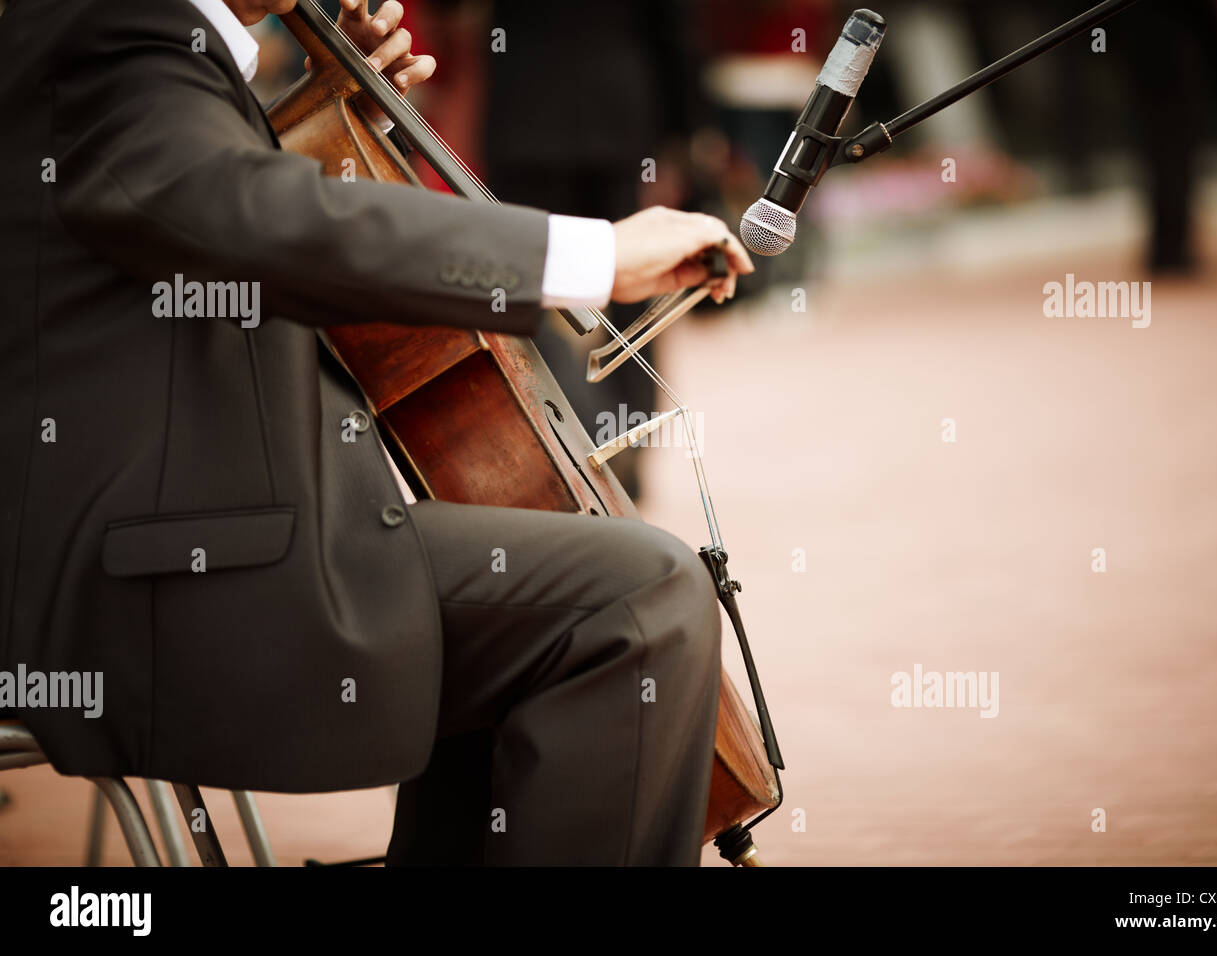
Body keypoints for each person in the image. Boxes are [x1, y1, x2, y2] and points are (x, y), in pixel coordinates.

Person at [0, 0, 754, 865]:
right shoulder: (106, 29)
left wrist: (320, 99)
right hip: (161, 591)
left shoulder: (132, 44)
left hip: (199, 547)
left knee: (575, 601)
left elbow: (184, 205)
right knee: (638, 596)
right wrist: (590, 258)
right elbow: (259, 218)